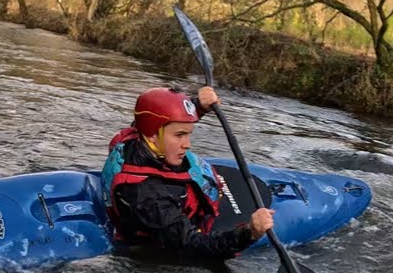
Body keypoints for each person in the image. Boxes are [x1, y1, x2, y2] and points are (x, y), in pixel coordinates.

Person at [101, 85, 274, 261]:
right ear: (152, 135)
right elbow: (193, 246)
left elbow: (152, 116)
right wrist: (249, 233)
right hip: (163, 238)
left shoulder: (132, 139)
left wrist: (199, 106)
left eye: (188, 134)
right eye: (179, 135)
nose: (187, 144)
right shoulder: (149, 197)